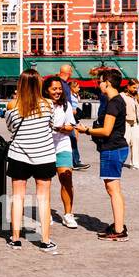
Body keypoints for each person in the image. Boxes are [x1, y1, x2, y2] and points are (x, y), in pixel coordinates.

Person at [3, 68, 58, 251]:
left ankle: (15, 238)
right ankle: (45, 240)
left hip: (19, 155)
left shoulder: (13, 105)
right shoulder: (48, 104)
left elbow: (11, 127)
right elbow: (51, 125)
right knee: (44, 198)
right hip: (44, 155)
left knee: (18, 197)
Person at [76, 67, 129, 240]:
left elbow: (106, 130)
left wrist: (87, 130)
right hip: (117, 147)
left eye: (100, 82)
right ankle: (118, 224)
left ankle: (119, 230)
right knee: (114, 188)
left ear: (107, 83)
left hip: (112, 148)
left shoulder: (113, 102)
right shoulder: (118, 100)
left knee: (113, 189)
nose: (98, 85)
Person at [45, 76, 79, 229]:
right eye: (54, 89)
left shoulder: (65, 105)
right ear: (46, 90)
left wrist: (63, 128)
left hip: (63, 144)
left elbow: (71, 125)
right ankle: (46, 213)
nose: (58, 91)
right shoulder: (42, 104)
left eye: (59, 88)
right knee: (45, 183)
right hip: (45, 146)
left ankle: (68, 214)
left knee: (66, 179)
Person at [57, 64, 89, 170]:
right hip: (65, 117)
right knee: (71, 139)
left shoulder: (61, 83)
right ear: (69, 72)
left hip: (66, 116)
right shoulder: (61, 84)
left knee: (70, 139)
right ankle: (74, 162)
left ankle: (74, 161)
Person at [123, 78, 139, 171]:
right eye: (134, 87)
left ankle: (135, 164)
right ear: (128, 86)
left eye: (137, 88)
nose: (135, 89)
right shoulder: (122, 96)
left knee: (136, 143)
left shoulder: (137, 97)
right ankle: (119, 161)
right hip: (126, 122)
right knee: (124, 143)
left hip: (136, 123)